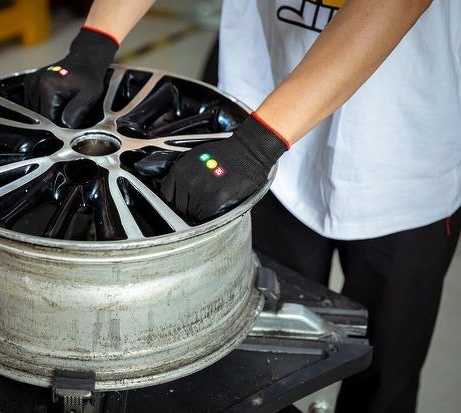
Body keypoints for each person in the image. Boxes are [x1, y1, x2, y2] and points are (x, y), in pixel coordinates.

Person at [23, 0, 461, 411]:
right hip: (257, 102)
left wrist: (256, 147)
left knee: (385, 374)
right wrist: (95, 41)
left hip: (404, 146)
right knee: (254, 361)